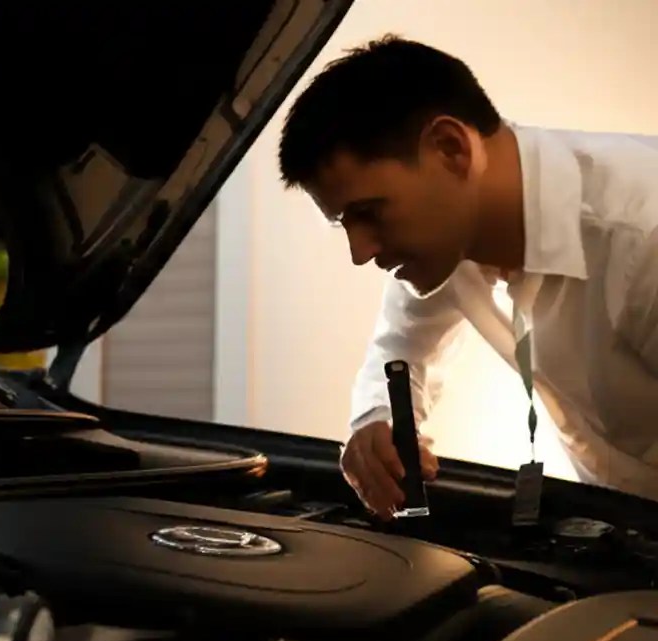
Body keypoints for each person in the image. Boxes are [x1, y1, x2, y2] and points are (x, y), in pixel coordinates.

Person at [276, 35, 658, 519]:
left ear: (450, 148)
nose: (360, 252)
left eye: (368, 213)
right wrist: (378, 420)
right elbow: (402, 347)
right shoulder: (455, 233)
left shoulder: (644, 240)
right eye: (344, 224)